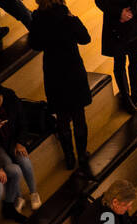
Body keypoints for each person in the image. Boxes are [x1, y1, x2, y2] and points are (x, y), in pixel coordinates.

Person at [29, 0, 91, 171]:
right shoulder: (65, 15)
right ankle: (82, 155)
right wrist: (73, 18)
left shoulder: (38, 18)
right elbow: (85, 38)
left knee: (62, 117)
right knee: (79, 116)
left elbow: (34, 44)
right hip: (72, 69)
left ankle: (69, 158)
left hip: (53, 72)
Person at [0, 81, 42, 210]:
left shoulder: (11, 99)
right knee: (10, 167)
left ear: (2, 95)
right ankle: (18, 196)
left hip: (13, 139)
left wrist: (20, 142)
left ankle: (34, 193)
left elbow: (23, 122)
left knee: (24, 160)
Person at [95, 0, 137, 112]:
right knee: (119, 61)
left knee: (135, 59)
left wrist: (131, 12)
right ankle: (125, 98)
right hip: (115, 21)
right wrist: (120, 13)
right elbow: (100, 1)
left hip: (134, 19)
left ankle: (136, 94)